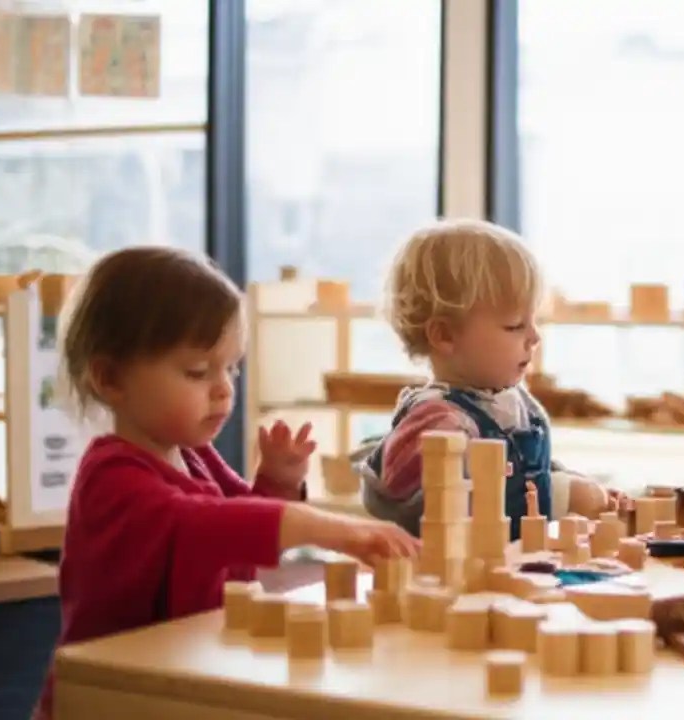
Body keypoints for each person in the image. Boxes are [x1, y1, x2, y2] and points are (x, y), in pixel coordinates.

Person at [33, 246, 419, 719]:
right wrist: (330, 528)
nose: (224, 388)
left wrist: (276, 483)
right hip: (108, 694)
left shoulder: (195, 456)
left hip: (180, 675)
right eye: (197, 371)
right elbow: (201, 525)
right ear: (111, 378)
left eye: (231, 367)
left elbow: (239, 533)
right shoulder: (111, 480)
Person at [360, 218, 618, 540]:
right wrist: (565, 496)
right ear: (444, 335)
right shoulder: (437, 422)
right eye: (513, 326)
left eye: (532, 321)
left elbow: (532, 467)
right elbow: (448, 509)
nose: (534, 337)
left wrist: (582, 484)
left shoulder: (509, 400)